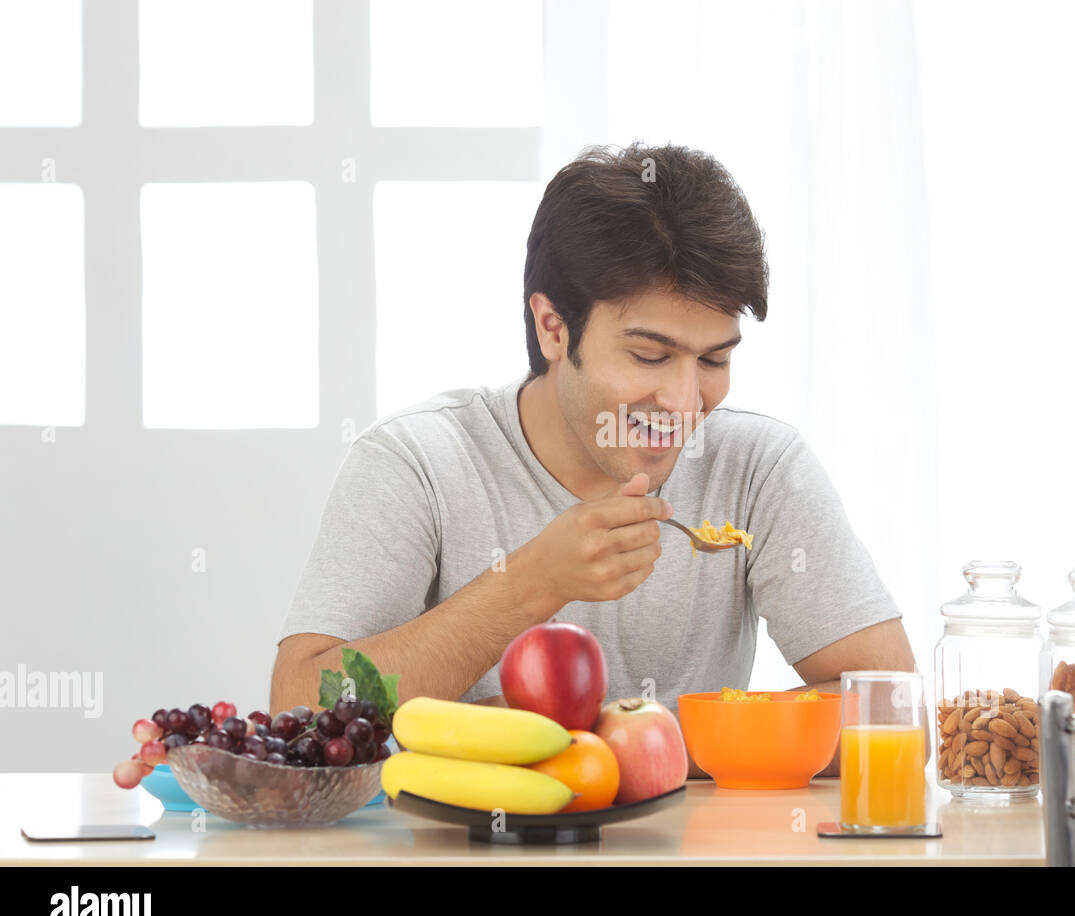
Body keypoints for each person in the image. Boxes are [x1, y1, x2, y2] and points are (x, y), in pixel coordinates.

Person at [270, 142, 917, 776]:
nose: (687, 401)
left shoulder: (757, 467)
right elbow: (300, 714)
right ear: (553, 328)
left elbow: (892, 711)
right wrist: (529, 584)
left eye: (715, 360)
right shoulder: (417, 462)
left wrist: (622, 739)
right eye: (650, 356)